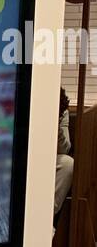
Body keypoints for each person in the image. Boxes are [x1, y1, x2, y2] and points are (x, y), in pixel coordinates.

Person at [55, 86, 73, 226]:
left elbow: (64, 149)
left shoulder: (62, 108)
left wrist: (55, 121)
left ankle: (46, 213)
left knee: (67, 163)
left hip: (48, 157)